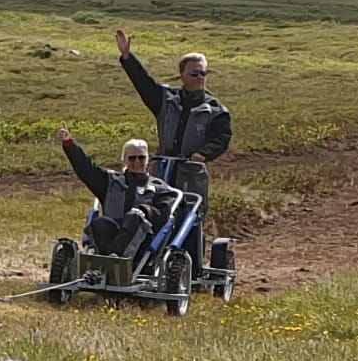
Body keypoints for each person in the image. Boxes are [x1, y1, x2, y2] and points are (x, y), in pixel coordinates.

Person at [113, 28, 231, 204]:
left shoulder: (216, 110)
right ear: (182, 75)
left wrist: (203, 154)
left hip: (192, 173)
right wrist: (128, 57)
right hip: (161, 170)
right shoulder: (166, 100)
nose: (200, 78)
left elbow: (222, 138)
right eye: (194, 73)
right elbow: (144, 83)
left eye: (203, 73)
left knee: (190, 217)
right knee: (154, 211)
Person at [58, 132, 174, 257]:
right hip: (112, 236)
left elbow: (163, 214)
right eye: (132, 158)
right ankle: (107, 262)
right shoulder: (110, 181)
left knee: (134, 217)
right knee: (100, 222)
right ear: (124, 160)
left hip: (141, 244)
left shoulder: (160, 188)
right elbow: (86, 168)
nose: (137, 162)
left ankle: (114, 261)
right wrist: (70, 145)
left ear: (148, 161)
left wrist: (145, 211)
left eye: (141, 158)